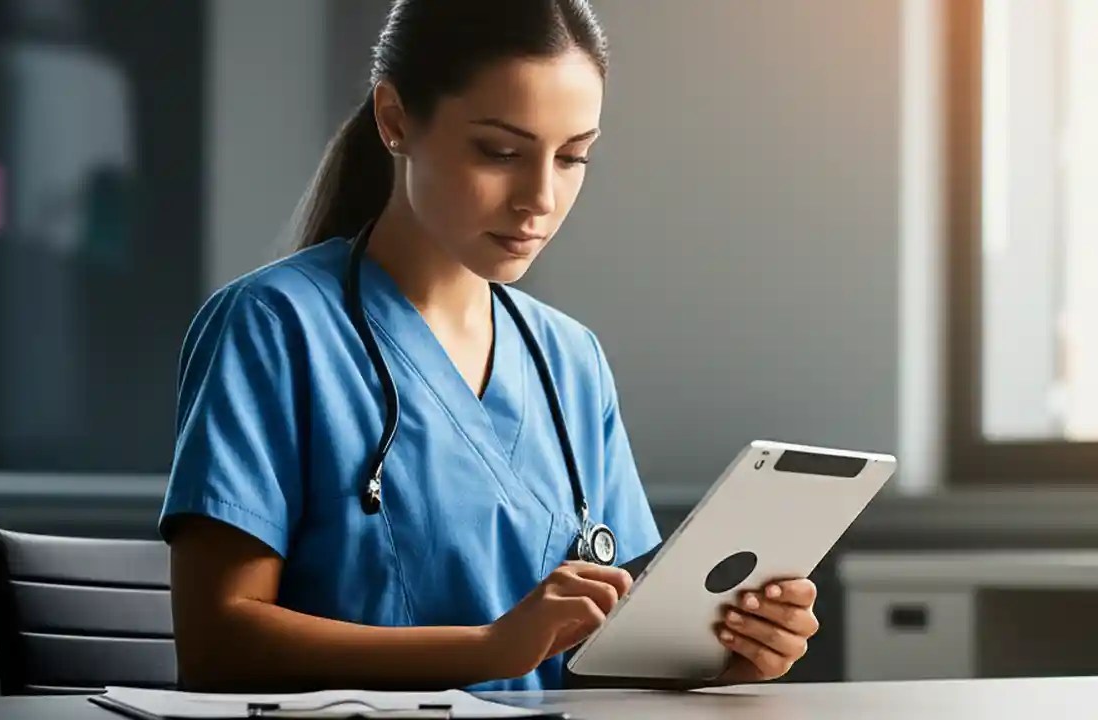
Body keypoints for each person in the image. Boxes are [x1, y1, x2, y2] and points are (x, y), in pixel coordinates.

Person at [159, 0, 820, 693]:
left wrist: (721, 654)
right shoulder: (271, 327)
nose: (539, 197)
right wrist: (490, 648)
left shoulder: (570, 361)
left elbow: (605, 656)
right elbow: (217, 642)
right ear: (395, 120)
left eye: (572, 157)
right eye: (500, 152)